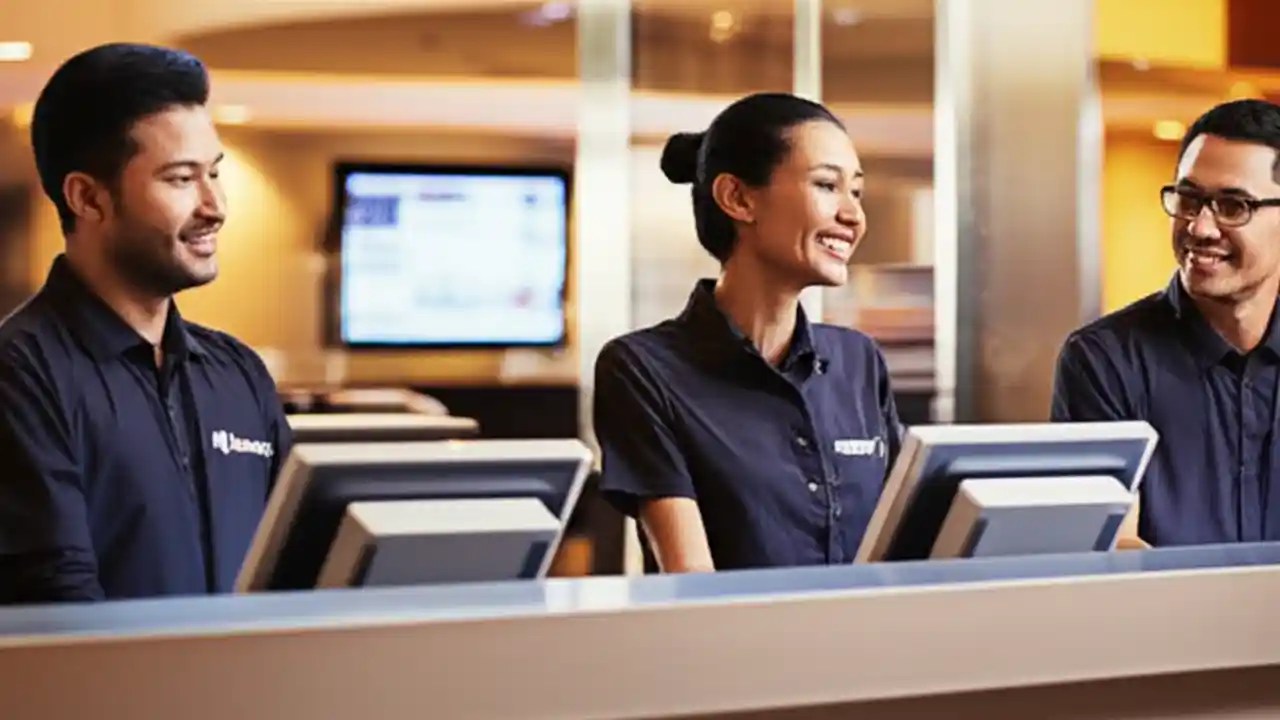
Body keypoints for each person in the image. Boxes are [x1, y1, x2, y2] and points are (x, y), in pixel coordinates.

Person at [0, 43, 292, 602]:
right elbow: (57, 606)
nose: (216, 206)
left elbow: (295, 569)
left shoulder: (237, 373)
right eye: (182, 180)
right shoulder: (21, 373)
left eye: (214, 173)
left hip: (248, 688)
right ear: (87, 198)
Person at [593, 92, 902, 573]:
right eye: (827, 185)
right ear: (737, 198)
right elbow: (691, 584)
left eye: (856, 192)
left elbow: (906, 546)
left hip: (869, 641)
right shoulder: (643, 369)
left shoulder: (859, 362)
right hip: (730, 644)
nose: (853, 215)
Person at [1052, 98, 1280, 547]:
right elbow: (1110, 544)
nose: (1200, 227)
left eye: (1234, 206)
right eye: (1189, 199)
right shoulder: (1104, 361)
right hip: (1168, 618)